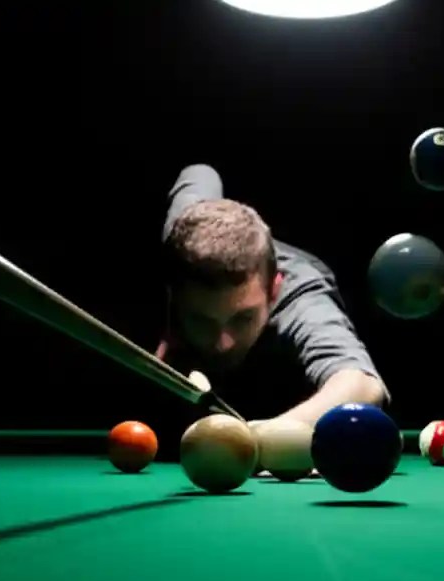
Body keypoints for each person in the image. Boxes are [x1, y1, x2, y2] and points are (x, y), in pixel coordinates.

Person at [157, 163, 389, 426]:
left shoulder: (301, 293)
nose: (223, 344)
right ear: (174, 291)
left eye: (242, 318)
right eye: (200, 320)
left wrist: (266, 436)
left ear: (274, 290)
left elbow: (362, 386)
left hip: (282, 401)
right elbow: (199, 172)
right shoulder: (181, 238)